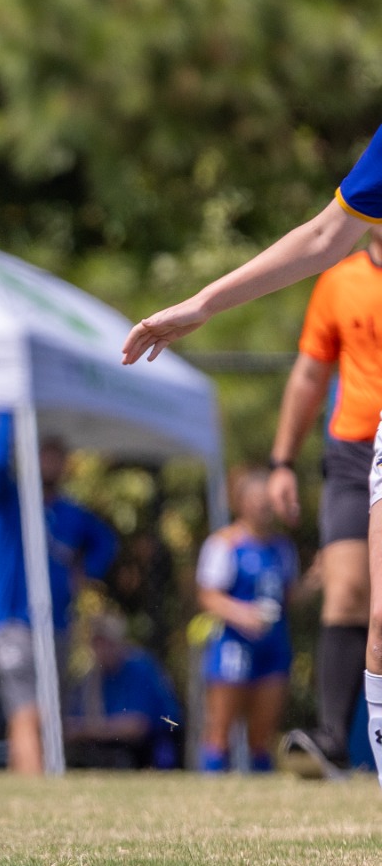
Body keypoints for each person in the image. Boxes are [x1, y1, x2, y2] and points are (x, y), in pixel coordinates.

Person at [124, 130, 382, 788]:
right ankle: (336, 742)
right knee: (374, 613)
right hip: (362, 437)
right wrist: (203, 302)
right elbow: (325, 236)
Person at [266, 228, 382, 776]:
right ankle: (333, 737)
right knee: (348, 589)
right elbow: (311, 373)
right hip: (352, 456)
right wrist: (282, 461)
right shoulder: (340, 281)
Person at [0, 413, 118, 774]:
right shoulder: (9, 504)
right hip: (9, 621)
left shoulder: (71, 514)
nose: (51, 463)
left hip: (55, 624)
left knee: (37, 712)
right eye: (44, 455)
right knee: (29, 710)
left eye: (58, 457)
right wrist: (6, 410)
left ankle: (20, 792)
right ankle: (40, 786)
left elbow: (106, 542)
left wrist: (85, 573)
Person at [194, 468, 299, 774]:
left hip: (273, 646)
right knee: (219, 731)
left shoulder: (282, 547)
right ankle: (211, 790)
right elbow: (208, 596)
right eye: (256, 500)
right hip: (233, 646)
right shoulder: (225, 543)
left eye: (267, 500)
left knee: (262, 735)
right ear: (240, 503)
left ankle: (259, 796)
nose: (263, 506)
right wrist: (244, 615)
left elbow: (288, 597)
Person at [63, 610, 181, 770]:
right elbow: (73, 725)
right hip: (111, 747)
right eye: (97, 643)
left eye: (107, 642)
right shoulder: (91, 678)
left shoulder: (141, 669)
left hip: (154, 746)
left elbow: (136, 727)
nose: (102, 649)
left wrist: (89, 729)